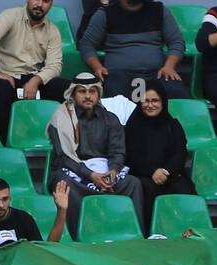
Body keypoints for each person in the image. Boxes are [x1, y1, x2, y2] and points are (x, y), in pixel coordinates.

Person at [47, 72, 145, 235]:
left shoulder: (111, 119)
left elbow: (117, 152)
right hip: (73, 171)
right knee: (66, 186)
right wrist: (91, 176)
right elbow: (64, 157)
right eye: (82, 91)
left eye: (92, 91)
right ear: (73, 94)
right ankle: (79, 236)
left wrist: (112, 173)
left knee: (133, 183)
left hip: (105, 171)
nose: (87, 96)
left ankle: (134, 235)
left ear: (98, 94)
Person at [79, 0, 186, 101]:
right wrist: (97, 67)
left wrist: (169, 66)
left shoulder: (159, 10)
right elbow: (86, 44)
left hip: (157, 73)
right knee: (117, 99)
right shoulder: (105, 14)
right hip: (119, 75)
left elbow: (177, 41)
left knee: (177, 92)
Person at [0, 0, 68, 139]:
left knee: (68, 89)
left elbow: (55, 66)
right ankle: (3, 147)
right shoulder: (11, 15)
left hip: (32, 80)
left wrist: (36, 80)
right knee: (2, 91)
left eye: (45, 1)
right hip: (5, 76)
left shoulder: (53, 30)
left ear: (51, 4)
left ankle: (61, 145)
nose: (39, 4)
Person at [124, 78, 195, 223]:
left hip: (169, 175)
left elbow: (180, 153)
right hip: (143, 176)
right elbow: (131, 156)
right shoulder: (133, 126)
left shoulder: (173, 125)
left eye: (155, 100)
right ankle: (153, 233)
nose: (150, 105)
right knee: (149, 188)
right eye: (146, 101)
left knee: (185, 187)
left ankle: (190, 231)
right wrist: (152, 172)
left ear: (163, 102)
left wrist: (165, 171)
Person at [0, 177, 69, 257]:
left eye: (5, 199)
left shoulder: (23, 218)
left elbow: (43, 254)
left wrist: (62, 210)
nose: (1, 205)